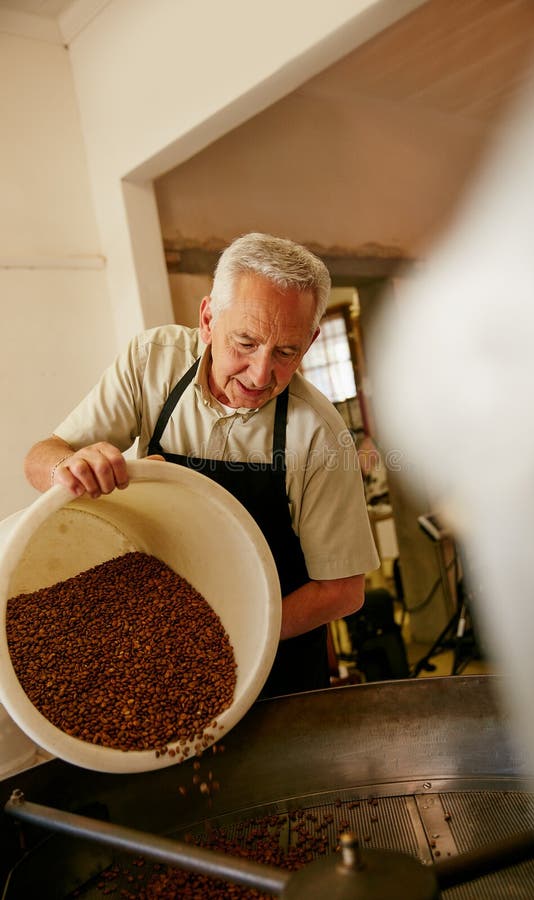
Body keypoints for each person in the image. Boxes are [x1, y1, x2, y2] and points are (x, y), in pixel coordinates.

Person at [24, 232, 379, 697]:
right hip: (154, 642)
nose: (259, 374)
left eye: (286, 353)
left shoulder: (318, 434)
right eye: (245, 342)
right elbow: (40, 458)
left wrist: (223, 638)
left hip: (274, 666)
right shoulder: (152, 362)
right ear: (209, 319)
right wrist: (68, 469)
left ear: (310, 342)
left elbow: (342, 590)